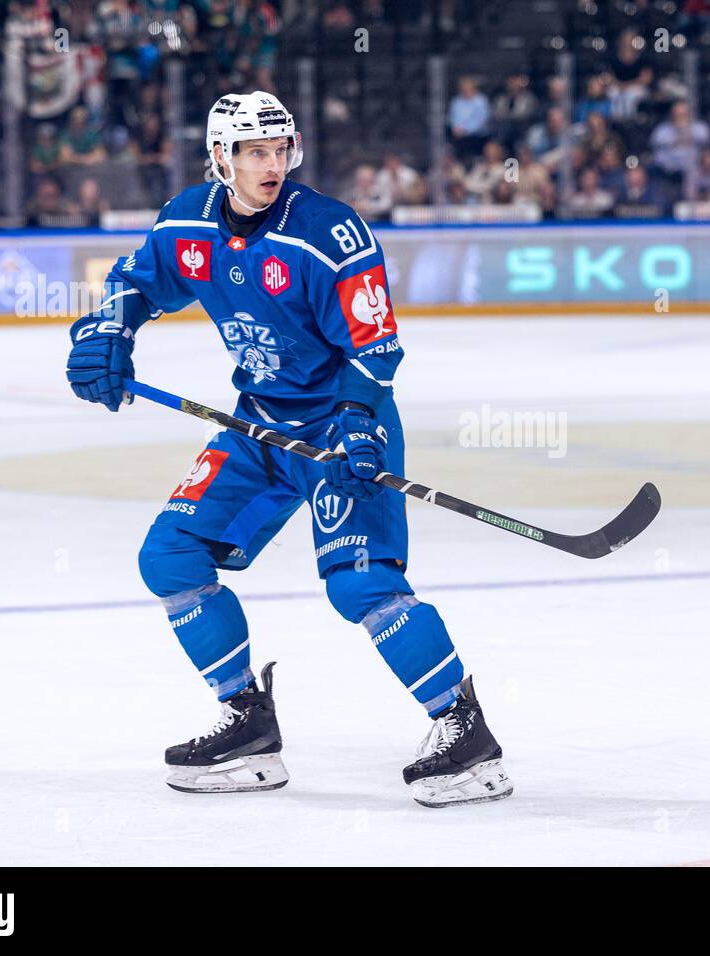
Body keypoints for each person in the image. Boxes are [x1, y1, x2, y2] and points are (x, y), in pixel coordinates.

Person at [64, 91, 513, 808]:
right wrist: (104, 334)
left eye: (281, 150)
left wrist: (363, 420)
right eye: (254, 152)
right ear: (221, 157)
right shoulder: (187, 221)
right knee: (170, 556)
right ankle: (246, 722)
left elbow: (377, 343)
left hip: (341, 428)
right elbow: (134, 283)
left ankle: (464, 732)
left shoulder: (327, 232)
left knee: (360, 586)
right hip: (257, 428)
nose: (272, 165)